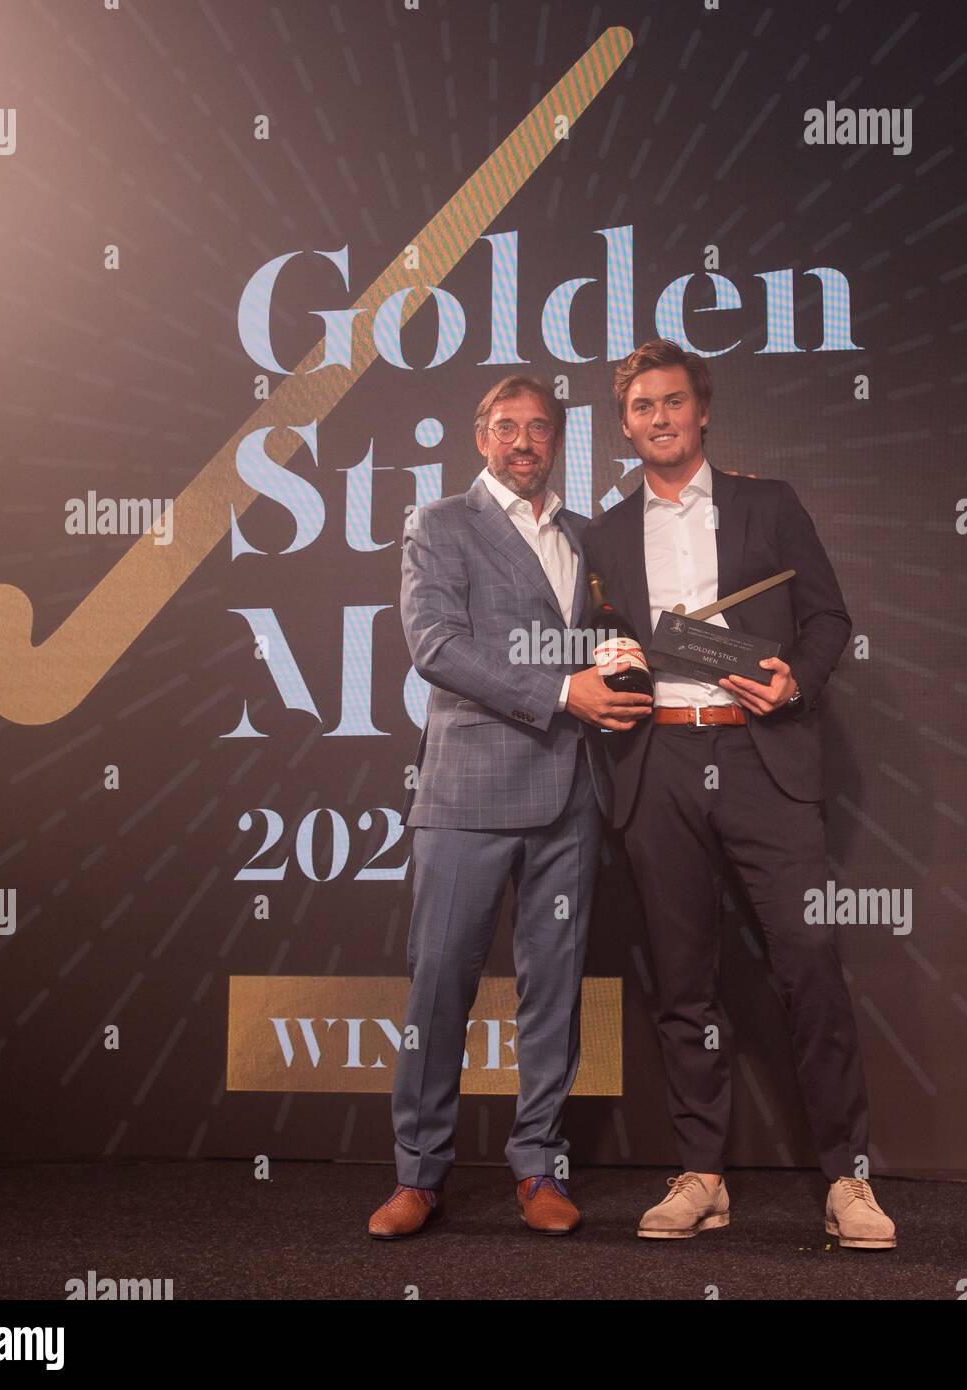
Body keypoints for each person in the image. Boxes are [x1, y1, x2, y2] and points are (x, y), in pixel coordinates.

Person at [585, 339, 895, 1249]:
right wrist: (613, 658)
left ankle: (848, 1180)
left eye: (673, 402)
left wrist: (793, 682)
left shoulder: (769, 503)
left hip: (763, 759)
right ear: (626, 423)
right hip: (661, 764)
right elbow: (603, 635)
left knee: (809, 966)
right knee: (683, 984)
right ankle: (703, 1177)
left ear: (703, 410)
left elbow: (828, 618)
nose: (660, 418)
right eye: (642, 407)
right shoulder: (603, 532)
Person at [367, 374, 652, 1239]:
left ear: (558, 439)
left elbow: (609, 636)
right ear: (480, 437)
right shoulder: (440, 524)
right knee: (439, 992)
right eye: (506, 427)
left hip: (570, 797)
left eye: (538, 427)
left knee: (553, 994)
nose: (523, 440)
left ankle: (539, 1168)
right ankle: (418, 1177)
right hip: (468, 796)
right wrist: (566, 691)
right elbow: (438, 647)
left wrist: (635, 658)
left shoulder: (584, 534)